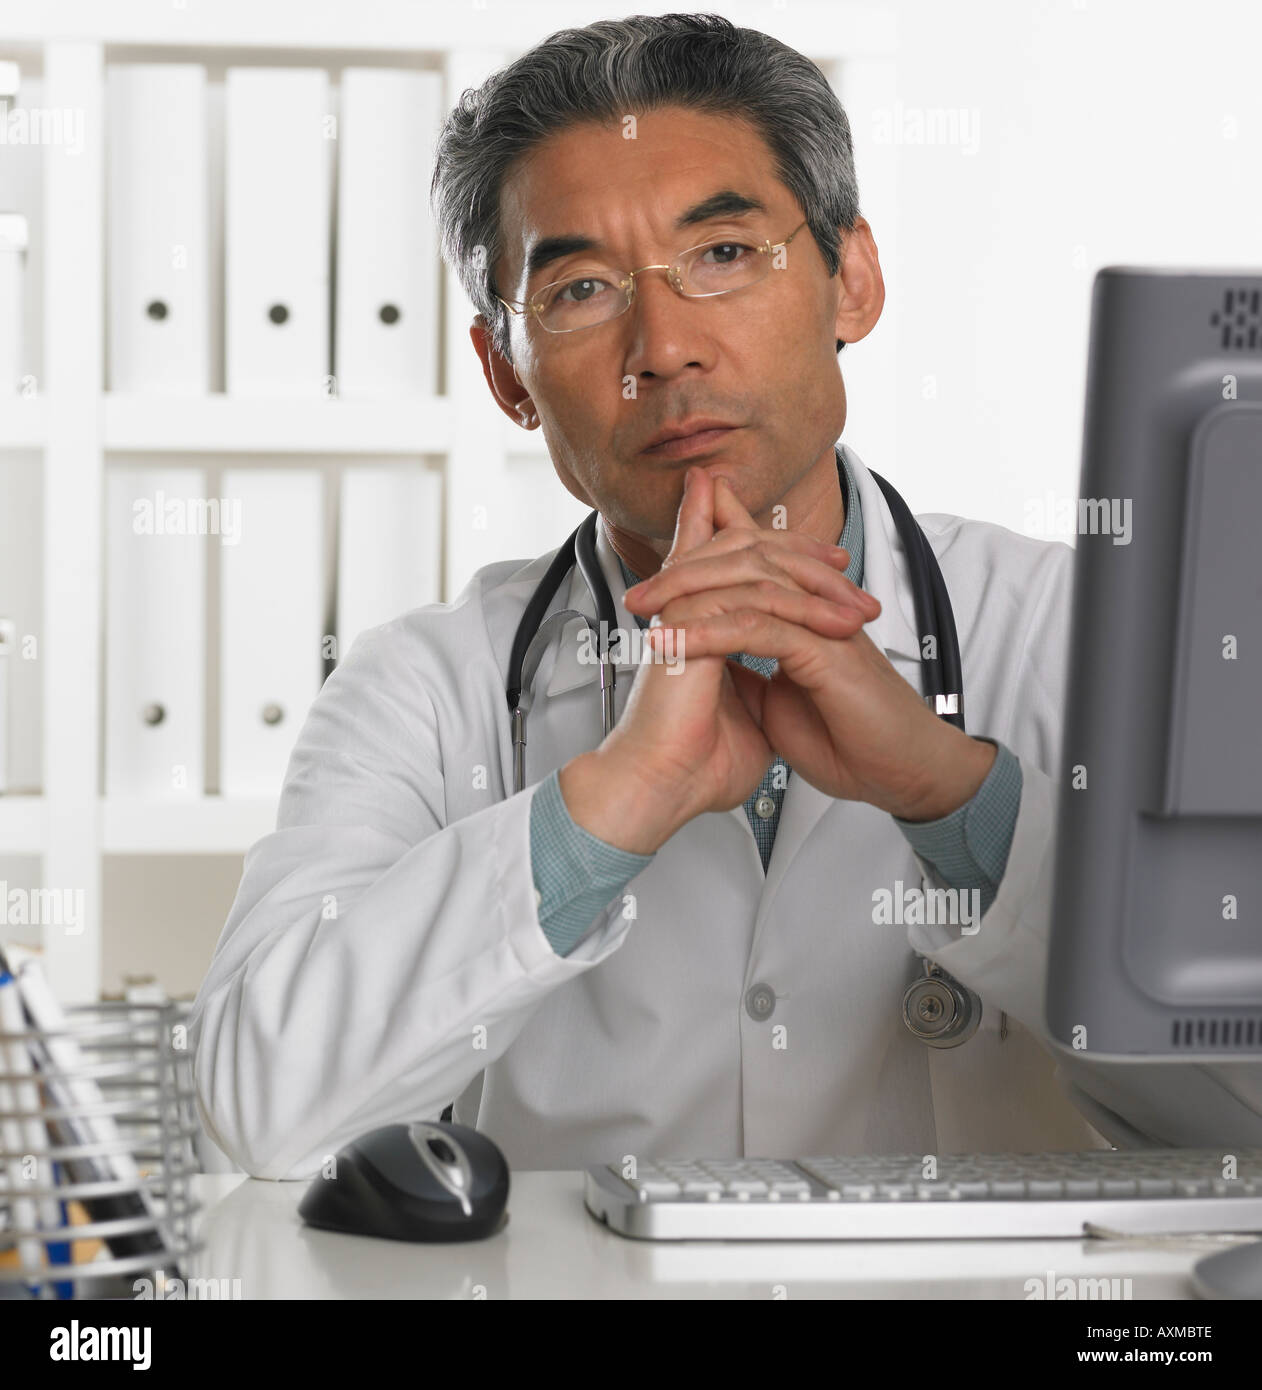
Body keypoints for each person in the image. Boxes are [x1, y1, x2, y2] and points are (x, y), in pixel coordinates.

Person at [189, 13, 1262, 1180]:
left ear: (850, 280)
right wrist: (604, 808)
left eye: (722, 256)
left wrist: (952, 796)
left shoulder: (1079, 634)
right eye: (582, 288)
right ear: (506, 374)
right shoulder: (423, 687)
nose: (664, 345)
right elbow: (259, 1107)